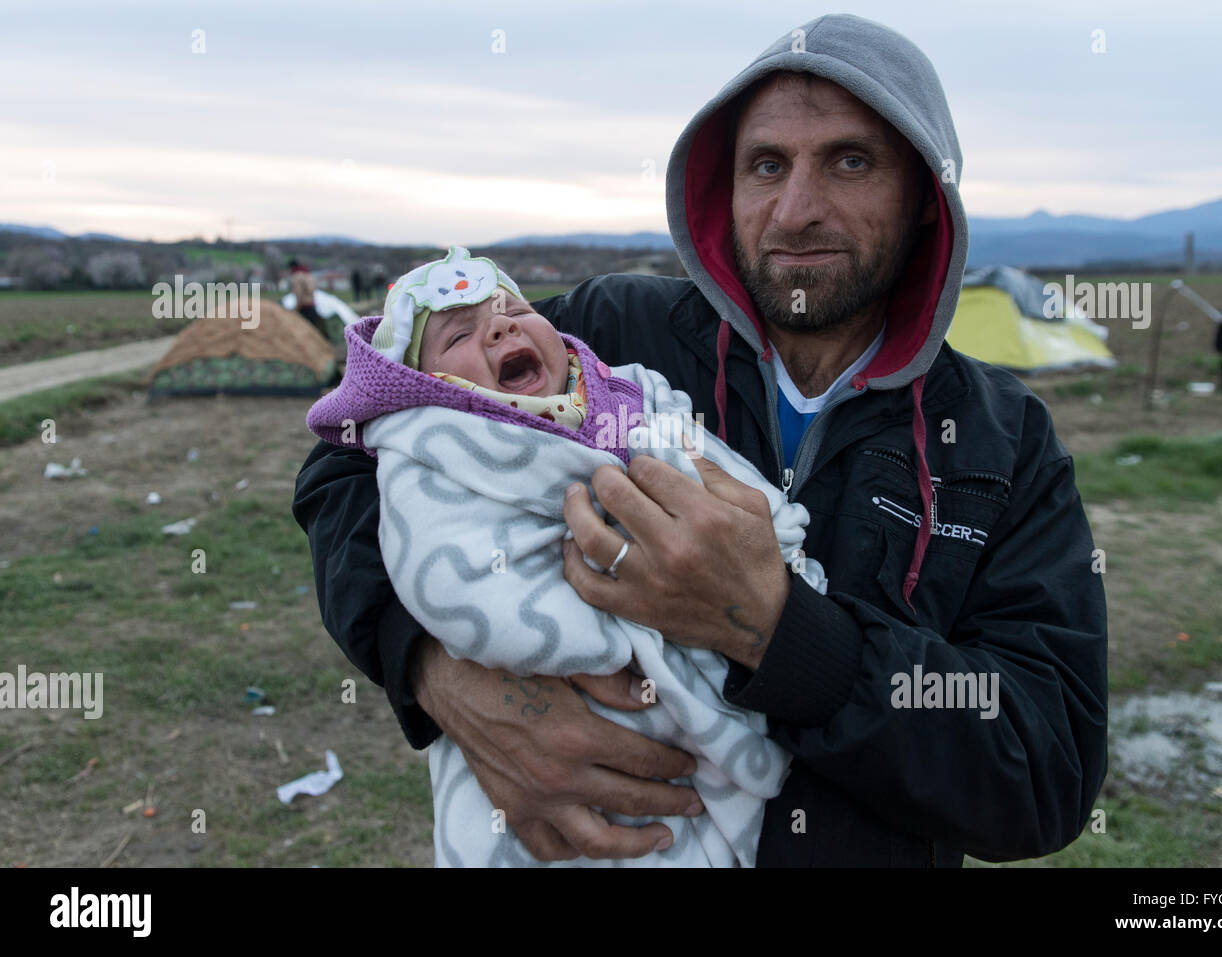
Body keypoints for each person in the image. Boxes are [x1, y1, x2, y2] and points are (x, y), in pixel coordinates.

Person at [293, 14, 1108, 866]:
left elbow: (1044, 768)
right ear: (724, 189)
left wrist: (780, 631)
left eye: (851, 160)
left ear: (926, 198)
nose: (796, 210)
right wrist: (434, 669)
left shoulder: (998, 439)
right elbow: (350, 459)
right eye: (766, 165)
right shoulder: (609, 332)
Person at [306, 246, 828, 866]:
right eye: (460, 335)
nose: (500, 326)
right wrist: (425, 660)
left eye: (514, 310)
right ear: (426, 386)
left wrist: (775, 537)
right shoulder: (435, 438)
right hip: (578, 692)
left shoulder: (625, 391)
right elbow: (441, 564)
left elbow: (707, 462)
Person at [288, 260, 324, 336]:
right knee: (312, 332)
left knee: (302, 333)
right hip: (312, 306)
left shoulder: (296, 277)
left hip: (304, 308)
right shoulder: (309, 275)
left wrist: (296, 308)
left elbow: (299, 294)